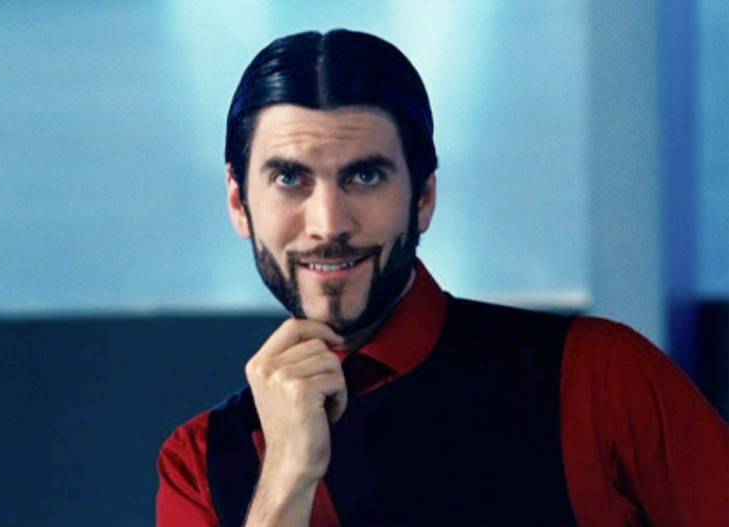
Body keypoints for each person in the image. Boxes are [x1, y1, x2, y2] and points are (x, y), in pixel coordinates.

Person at [156, 29, 729, 527]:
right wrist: (287, 474)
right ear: (239, 202)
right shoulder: (198, 465)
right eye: (289, 178)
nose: (329, 224)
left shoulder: (600, 380)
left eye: (365, 176)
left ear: (424, 197)